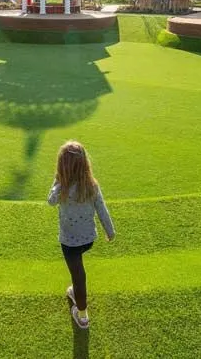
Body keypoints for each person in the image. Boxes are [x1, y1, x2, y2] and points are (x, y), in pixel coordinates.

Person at [47, 140, 115, 330]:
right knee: (78, 273)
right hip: (88, 239)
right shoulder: (91, 185)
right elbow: (102, 209)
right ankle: (75, 292)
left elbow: (50, 201)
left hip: (70, 242)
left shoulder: (62, 186)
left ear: (62, 166)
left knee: (78, 276)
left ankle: (83, 315)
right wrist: (110, 231)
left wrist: (57, 180)